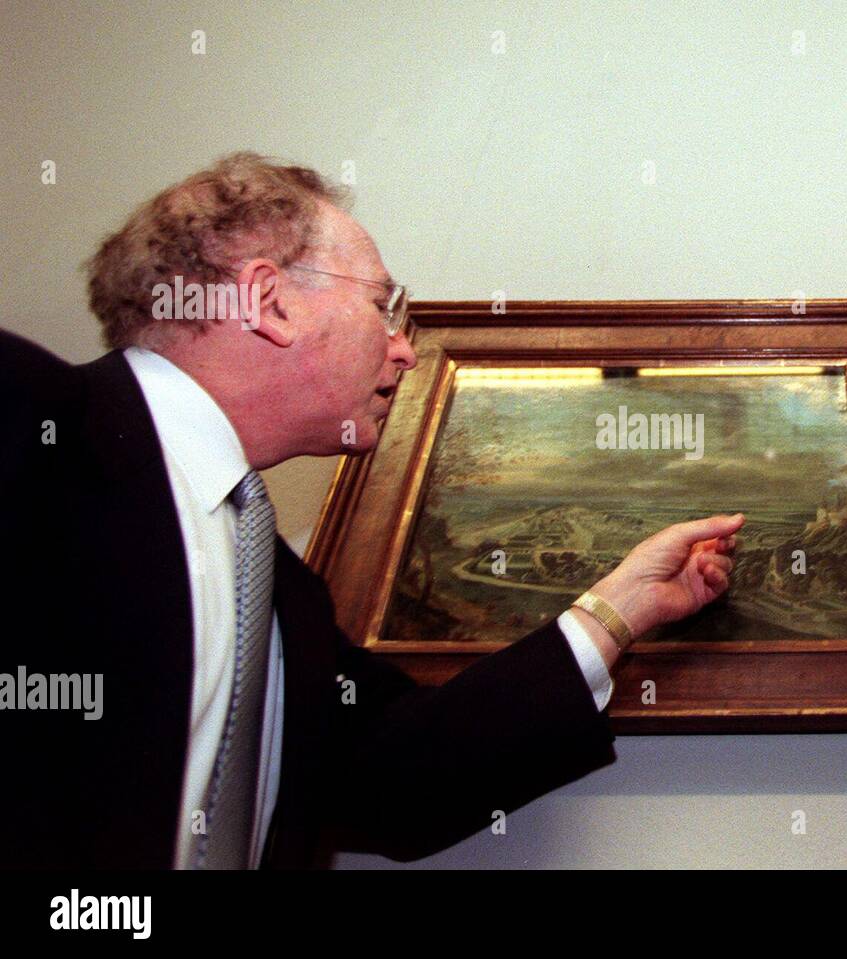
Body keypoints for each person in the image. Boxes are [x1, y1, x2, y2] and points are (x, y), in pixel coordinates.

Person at [0, 153, 743, 869]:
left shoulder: (281, 592)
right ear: (270, 303)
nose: (404, 351)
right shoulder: (22, 413)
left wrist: (617, 610)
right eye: (383, 307)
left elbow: (396, 782)